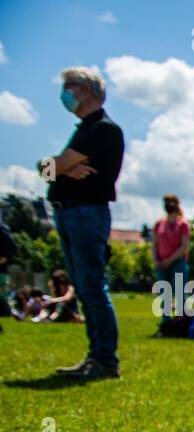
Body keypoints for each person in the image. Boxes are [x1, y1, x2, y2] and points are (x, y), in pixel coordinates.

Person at [44, 66, 125, 380]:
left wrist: (60, 166)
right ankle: (96, 356)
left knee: (92, 288)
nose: (64, 92)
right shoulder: (83, 130)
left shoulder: (103, 129)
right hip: (68, 212)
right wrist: (61, 167)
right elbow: (47, 168)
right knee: (84, 288)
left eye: (70, 86)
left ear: (88, 90)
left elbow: (56, 164)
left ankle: (105, 360)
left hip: (87, 213)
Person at [152, 194, 189, 319]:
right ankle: (166, 322)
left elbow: (184, 246)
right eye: (166, 202)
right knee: (164, 294)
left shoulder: (182, 224)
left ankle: (181, 321)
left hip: (178, 262)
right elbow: (155, 244)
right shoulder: (159, 223)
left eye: (170, 202)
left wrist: (170, 260)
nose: (168, 204)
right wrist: (156, 259)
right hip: (161, 263)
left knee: (179, 293)